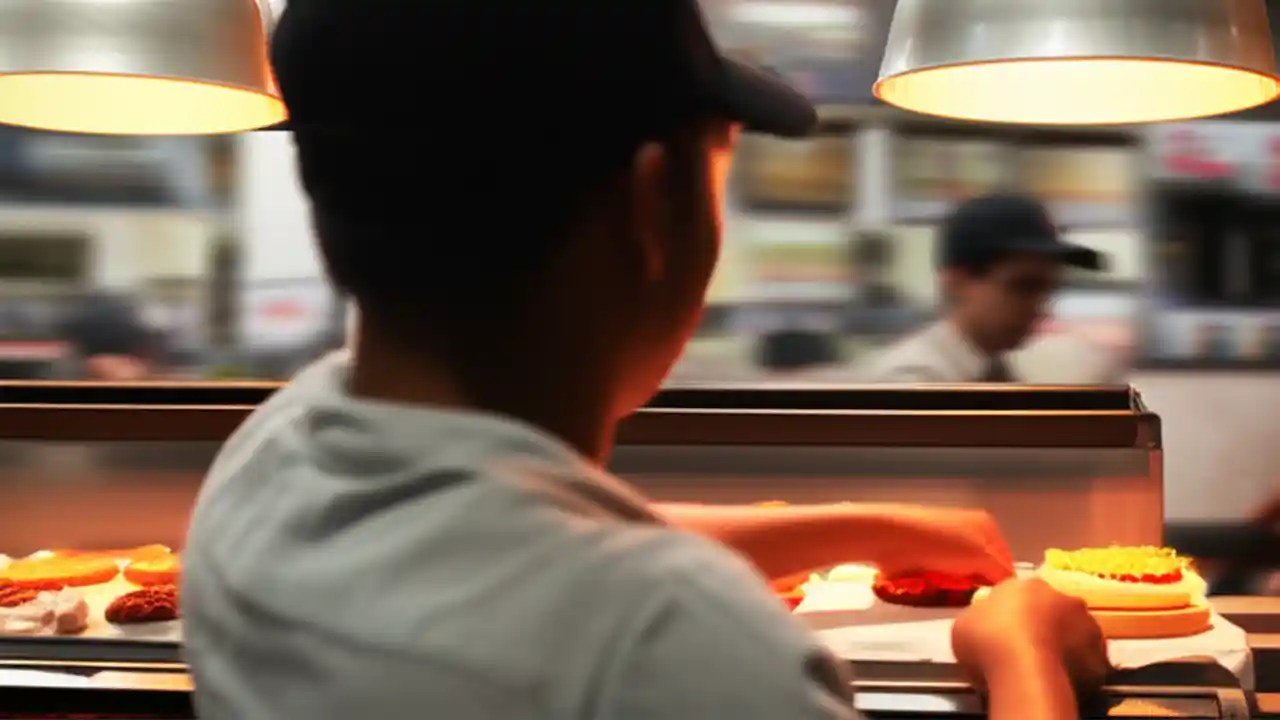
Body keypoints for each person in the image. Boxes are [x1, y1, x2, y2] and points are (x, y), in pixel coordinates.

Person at [183, 2, 1109, 719]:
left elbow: (528, 537)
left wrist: (870, 525)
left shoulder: (268, 460)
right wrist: (1021, 653)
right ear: (650, 206)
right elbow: (598, 574)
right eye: (717, 180)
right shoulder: (680, 650)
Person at [865, 194, 1106, 383]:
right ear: (957, 282)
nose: (1040, 307)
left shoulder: (992, 368)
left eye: (1048, 289)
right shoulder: (915, 381)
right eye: (1023, 286)